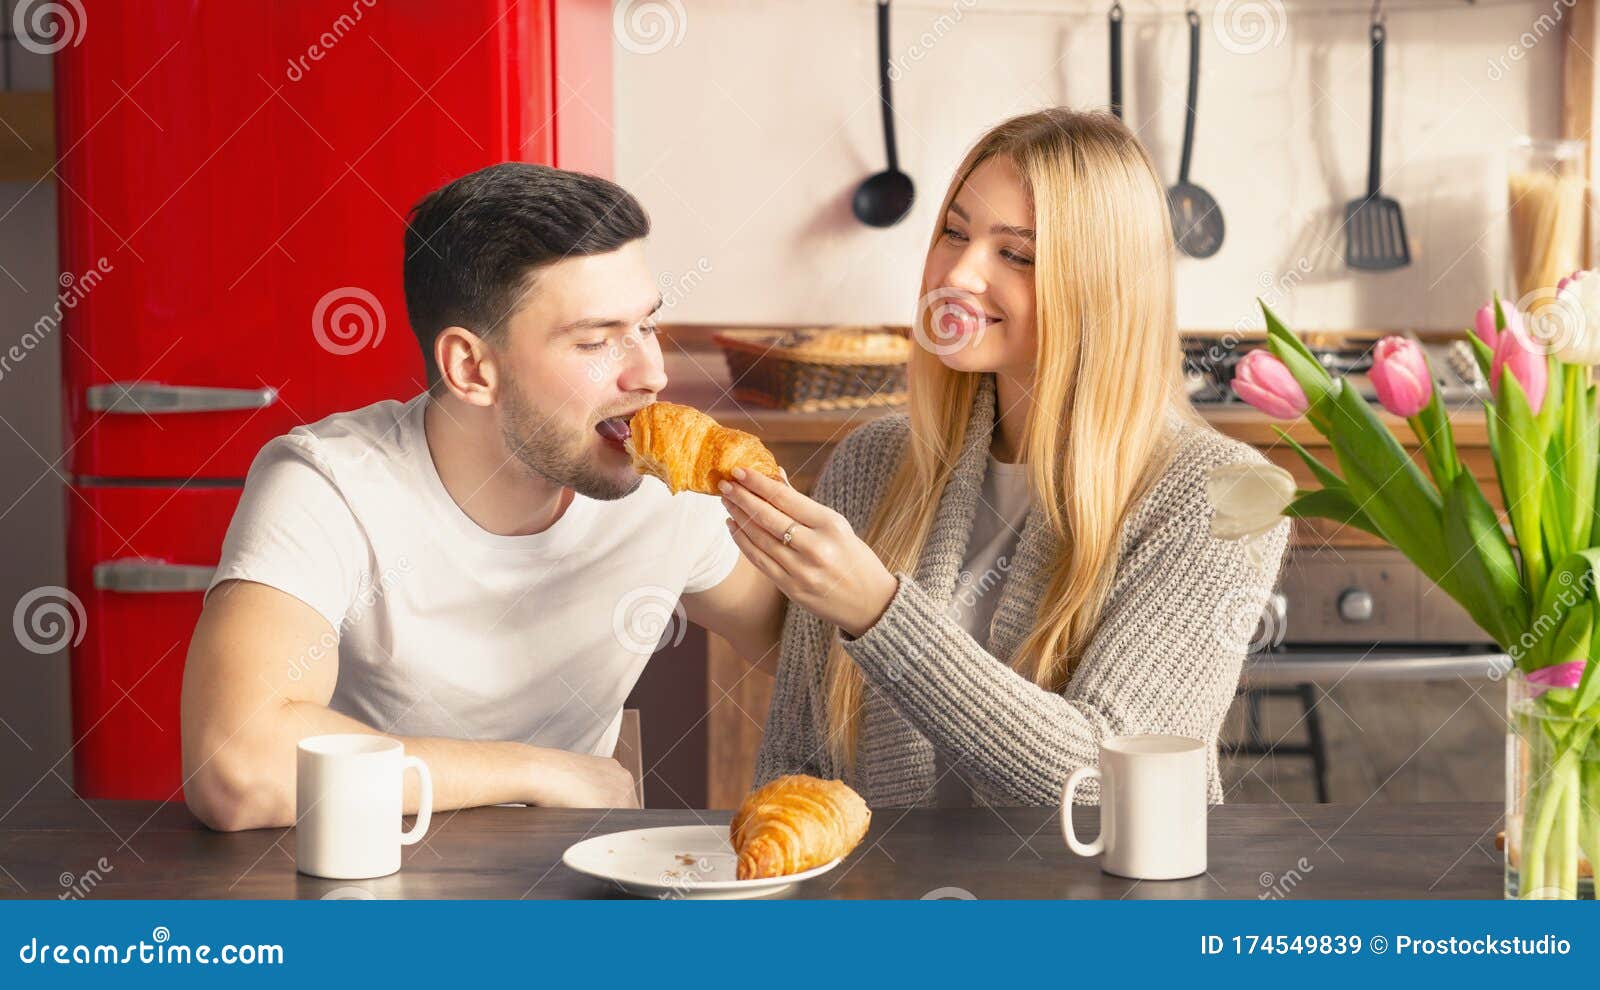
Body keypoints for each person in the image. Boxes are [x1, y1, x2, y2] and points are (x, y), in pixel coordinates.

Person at [181, 163, 783, 831]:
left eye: (647, 325)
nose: (654, 373)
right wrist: (539, 770)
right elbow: (235, 770)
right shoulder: (330, 486)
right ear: (472, 368)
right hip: (366, 883)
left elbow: (807, 661)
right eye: (595, 341)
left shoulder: (668, 492)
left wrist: (851, 586)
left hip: (563, 884)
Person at [718, 108, 1290, 808]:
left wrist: (880, 613)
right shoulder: (873, 463)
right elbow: (796, 763)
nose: (958, 273)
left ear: (1102, 287)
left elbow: (1109, 784)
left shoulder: (1225, 495)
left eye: (1014, 254)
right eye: (953, 233)